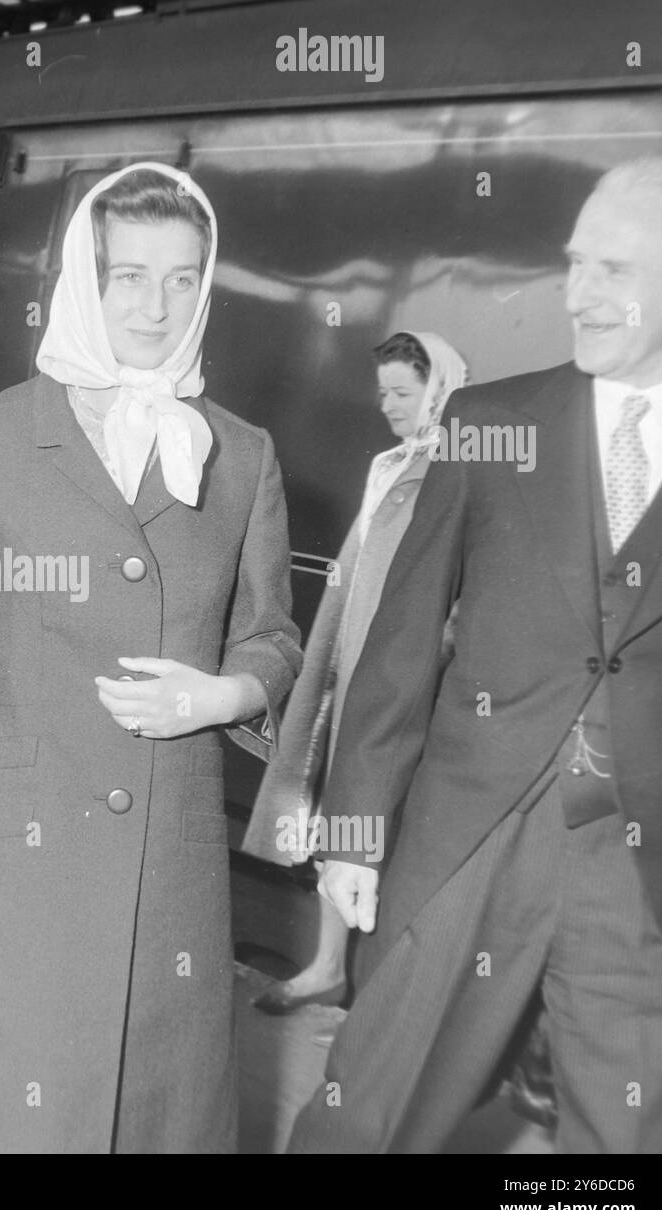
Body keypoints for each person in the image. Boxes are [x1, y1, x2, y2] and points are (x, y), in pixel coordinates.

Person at [0, 164, 301, 1152]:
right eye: (128, 276)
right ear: (86, 281)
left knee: (147, 1120)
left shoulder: (240, 454)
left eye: (181, 278)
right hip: (7, 865)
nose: (156, 305)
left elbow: (275, 634)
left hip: (164, 869)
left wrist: (227, 690)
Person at [290, 155, 662, 1154]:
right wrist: (352, 830)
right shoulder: (491, 423)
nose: (579, 296)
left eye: (617, 271)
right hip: (465, 841)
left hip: (643, 875)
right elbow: (401, 643)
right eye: (573, 264)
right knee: (367, 1118)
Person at [242, 330, 467, 1012]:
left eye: (405, 392)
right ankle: (328, 966)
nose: (392, 407)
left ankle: (391, 990)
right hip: (363, 666)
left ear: (443, 389)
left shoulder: (466, 467)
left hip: (424, 679)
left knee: (403, 823)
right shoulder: (388, 465)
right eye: (384, 394)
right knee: (345, 807)